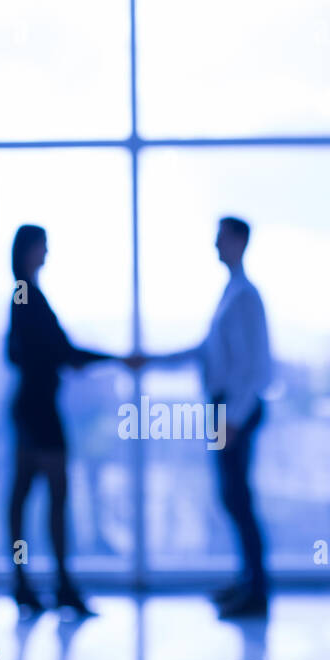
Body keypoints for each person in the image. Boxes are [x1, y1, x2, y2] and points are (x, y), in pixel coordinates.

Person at [131, 216, 273, 617]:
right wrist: (153, 360)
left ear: (240, 241)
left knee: (238, 497)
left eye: (221, 238)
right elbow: (206, 352)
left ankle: (256, 590)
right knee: (232, 496)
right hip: (226, 409)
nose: (214, 244)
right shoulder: (232, 293)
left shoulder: (245, 297)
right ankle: (248, 581)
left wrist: (234, 417)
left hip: (233, 410)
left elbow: (255, 366)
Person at [5, 224, 112, 617]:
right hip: (39, 410)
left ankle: (30, 582)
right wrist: (111, 359)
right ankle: (57, 583)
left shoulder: (25, 295)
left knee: (28, 495)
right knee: (50, 495)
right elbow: (59, 352)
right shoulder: (27, 296)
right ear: (28, 250)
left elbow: (23, 353)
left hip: (32, 407)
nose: (46, 254)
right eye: (43, 247)